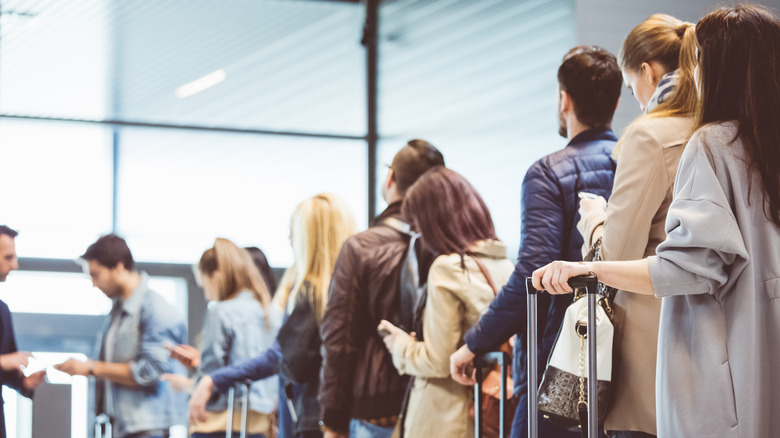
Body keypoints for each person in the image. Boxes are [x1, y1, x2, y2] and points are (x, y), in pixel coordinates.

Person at [532, 5, 780, 437]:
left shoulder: (709, 144)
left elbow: (686, 266)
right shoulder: (763, 142)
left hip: (711, 355)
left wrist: (588, 251)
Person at [449, 45, 622, 438]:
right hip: (625, 356)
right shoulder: (634, 166)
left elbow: (533, 272)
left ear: (564, 100)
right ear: (615, 102)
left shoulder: (548, 173)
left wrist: (473, 344)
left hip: (560, 362)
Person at [576, 14, 697, 438]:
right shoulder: (716, 126)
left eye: (632, 87)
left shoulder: (649, 136)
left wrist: (594, 219)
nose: (637, 99)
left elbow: (617, 253)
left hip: (650, 331)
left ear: (646, 71)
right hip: (705, 330)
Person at [189, 193, 358, 438]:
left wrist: (212, 380)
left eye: (294, 232)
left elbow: (279, 358)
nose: (289, 240)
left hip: (316, 421)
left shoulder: (312, 295)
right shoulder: (354, 291)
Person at [318, 139, 444, 438]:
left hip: (376, 407)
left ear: (390, 178)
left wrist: (332, 417)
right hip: (437, 401)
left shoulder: (360, 248)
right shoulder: (449, 247)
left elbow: (340, 341)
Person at [379, 166, 515, 438]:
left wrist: (400, 346)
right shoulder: (504, 264)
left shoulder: (448, 267)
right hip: (487, 412)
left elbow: (439, 361)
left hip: (445, 417)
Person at [55, 234, 188, 438]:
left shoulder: (157, 310)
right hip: (122, 426)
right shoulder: (118, 311)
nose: (93, 283)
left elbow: (149, 371)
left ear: (118, 267)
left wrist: (90, 368)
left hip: (146, 429)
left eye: (96, 275)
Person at [164, 238, 281, 438]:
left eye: (205, 286)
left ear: (217, 276)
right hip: (259, 425)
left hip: (220, 424)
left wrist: (186, 384)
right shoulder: (273, 312)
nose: (207, 295)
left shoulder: (221, 311)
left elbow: (212, 375)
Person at [0, 226, 46, 438]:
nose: (15, 265)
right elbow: (5, 361)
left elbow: (8, 369)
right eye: (8, 257)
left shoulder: (3, 310)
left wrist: (23, 383)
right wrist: (3, 361)